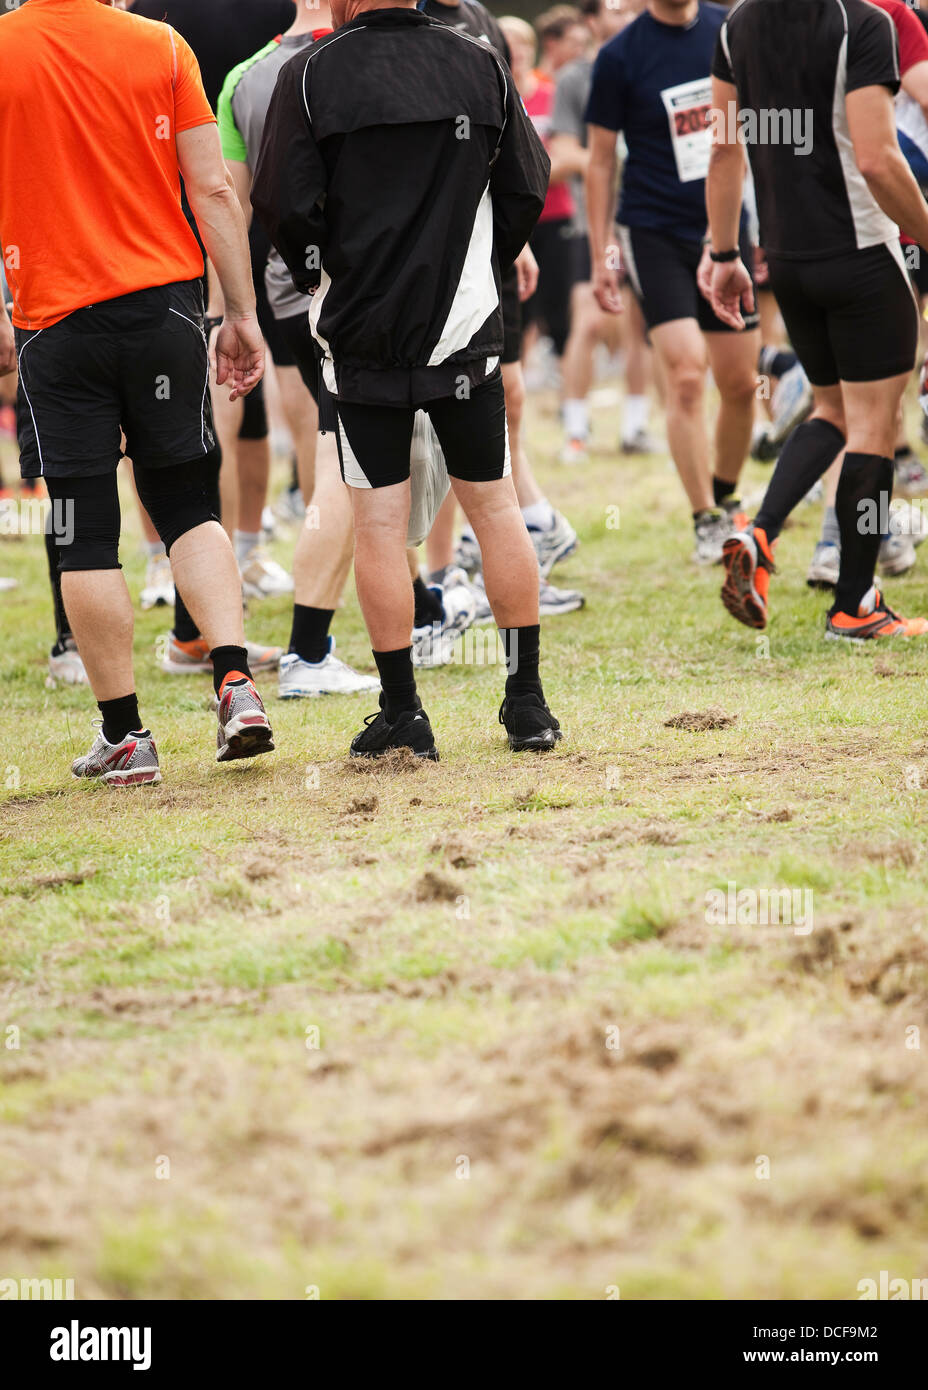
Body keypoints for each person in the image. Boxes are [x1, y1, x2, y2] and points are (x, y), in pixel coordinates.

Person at [252, 0, 563, 758]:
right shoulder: (477, 62)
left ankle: (403, 712)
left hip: (362, 336)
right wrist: (481, 266)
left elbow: (281, 203)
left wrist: (326, 276)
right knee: (493, 509)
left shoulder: (310, 73)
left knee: (380, 528)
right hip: (464, 330)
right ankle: (526, 703)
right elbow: (527, 183)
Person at [0, 0, 274, 784]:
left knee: (83, 527)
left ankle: (124, 736)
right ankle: (235, 684)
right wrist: (242, 314)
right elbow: (213, 190)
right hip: (163, 311)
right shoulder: (160, 44)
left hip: (54, 322)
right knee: (188, 501)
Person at [709, 0, 928, 640]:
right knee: (873, 428)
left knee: (830, 411)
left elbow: (725, 155)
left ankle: (758, 532)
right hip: (862, 257)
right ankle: (855, 606)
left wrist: (723, 253)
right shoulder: (862, 22)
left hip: (788, 261)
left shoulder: (736, 25)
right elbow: (878, 160)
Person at [216, 0, 381, 698]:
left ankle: (391, 618)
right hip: (350, 294)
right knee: (347, 456)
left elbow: (236, 203)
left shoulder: (244, 76)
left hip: (287, 294)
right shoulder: (356, 56)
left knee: (350, 452)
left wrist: (236, 308)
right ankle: (309, 653)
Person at [585, 0, 760, 565]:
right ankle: (704, 516)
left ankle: (727, 496)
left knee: (739, 383)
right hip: (653, 230)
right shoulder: (619, 56)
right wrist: (600, 253)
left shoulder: (729, 30)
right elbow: (600, 160)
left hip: (726, 226)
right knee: (687, 374)